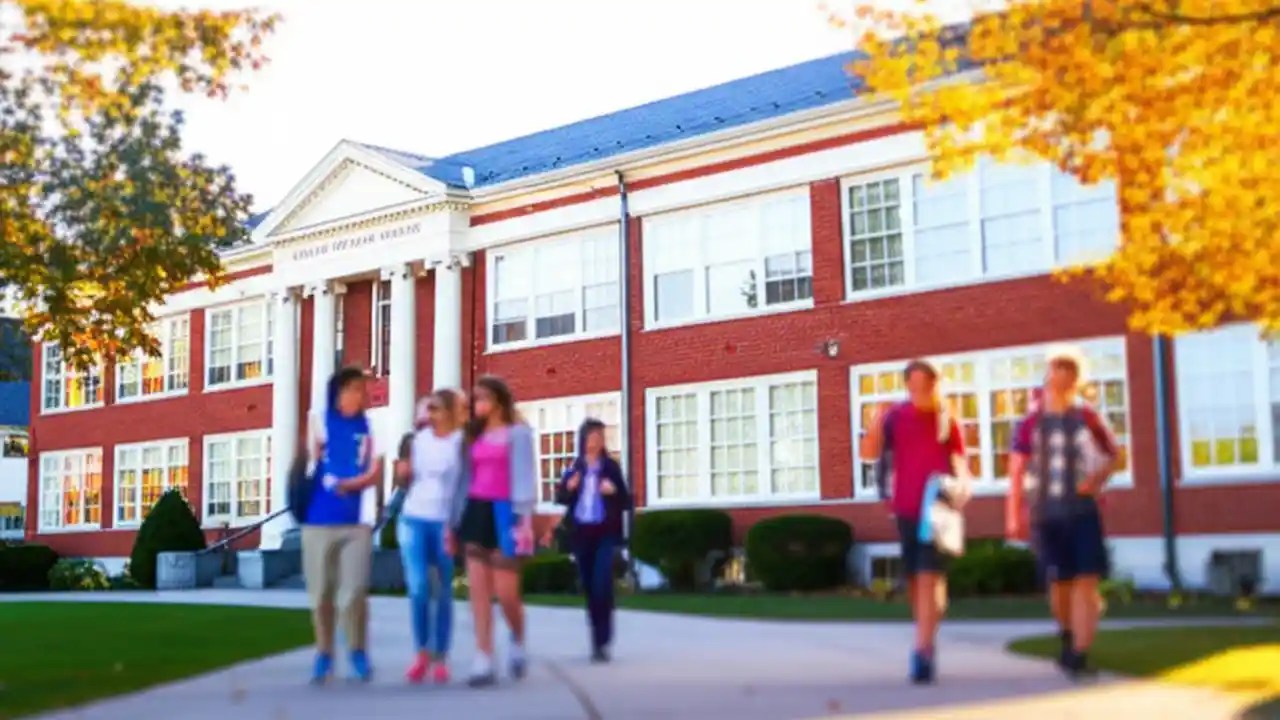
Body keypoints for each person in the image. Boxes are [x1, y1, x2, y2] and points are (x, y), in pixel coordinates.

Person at [1008, 346, 1119, 679]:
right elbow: (1016, 472)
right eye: (1056, 373)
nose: (1061, 380)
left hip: (1083, 511)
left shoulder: (1087, 418)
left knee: (1087, 581)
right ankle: (1068, 633)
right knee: (1060, 584)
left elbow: (1114, 455)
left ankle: (1078, 655)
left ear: (1076, 380)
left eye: (1069, 375)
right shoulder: (1030, 424)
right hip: (1045, 513)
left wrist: (1097, 478)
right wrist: (1015, 516)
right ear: (1048, 378)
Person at [873, 359, 971, 684]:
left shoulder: (946, 419)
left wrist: (959, 491)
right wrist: (875, 423)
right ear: (907, 386)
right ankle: (927, 628)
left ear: (935, 384)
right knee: (917, 581)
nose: (920, 392)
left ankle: (923, 651)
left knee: (928, 577)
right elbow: (878, 454)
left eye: (926, 386)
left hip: (937, 509)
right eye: (914, 386)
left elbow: (959, 464)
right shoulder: (895, 418)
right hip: (905, 507)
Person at [450, 375, 537, 687]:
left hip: (506, 512)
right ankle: (483, 656)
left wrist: (523, 518)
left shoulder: (518, 434)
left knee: (507, 592)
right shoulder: (471, 437)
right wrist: (453, 522)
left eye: (483, 398)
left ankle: (517, 638)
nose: (478, 405)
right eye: (475, 400)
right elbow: (461, 481)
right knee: (479, 591)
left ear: (499, 400)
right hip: (475, 511)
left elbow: (525, 478)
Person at [303, 366, 384, 684]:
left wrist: (351, 485)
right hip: (317, 520)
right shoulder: (318, 420)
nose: (364, 395)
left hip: (357, 523)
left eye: (365, 389)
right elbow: (313, 461)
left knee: (353, 592)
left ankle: (357, 650)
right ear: (341, 392)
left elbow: (375, 471)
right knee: (321, 594)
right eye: (358, 389)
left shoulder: (373, 425)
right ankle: (324, 653)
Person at [394, 389, 466, 684]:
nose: (429, 415)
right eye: (428, 409)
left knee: (443, 591)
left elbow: (460, 488)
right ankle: (422, 652)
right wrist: (402, 473)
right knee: (419, 586)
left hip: (444, 523)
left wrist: (454, 526)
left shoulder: (460, 443)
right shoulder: (419, 442)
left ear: (448, 411)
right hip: (414, 518)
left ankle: (441, 656)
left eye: (435, 408)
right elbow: (405, 481)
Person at [555, 418, 632, 663]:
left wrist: (614, 491)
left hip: (604, 533)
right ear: (583, 440)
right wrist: (569, 487)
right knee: (589, 586)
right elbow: (561, 497)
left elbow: (626, 501)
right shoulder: (575, 467)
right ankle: (595, 639)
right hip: (582, 534)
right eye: (592, 437)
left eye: (600, 437)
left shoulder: (611, 468)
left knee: (602, 585)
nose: (596, 441)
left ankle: (603, 641)